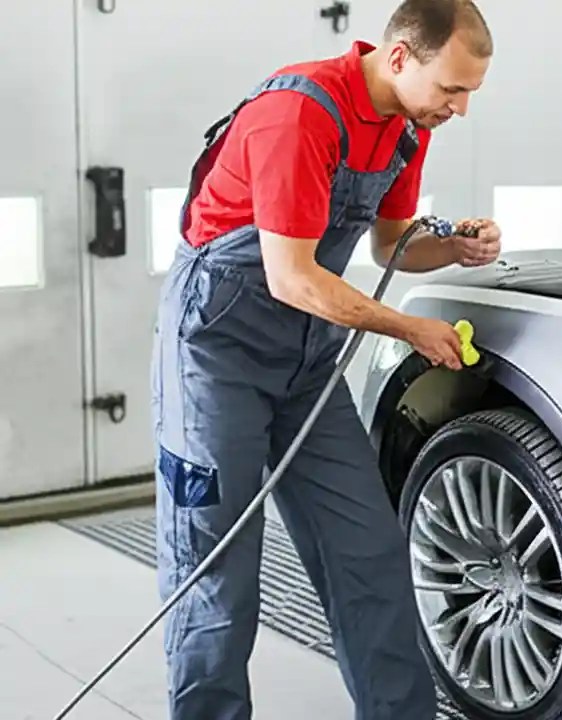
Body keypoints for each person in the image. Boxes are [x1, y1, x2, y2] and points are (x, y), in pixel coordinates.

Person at [150, 1, 497, 717]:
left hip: (307, 362)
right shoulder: (300, 112)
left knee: (369, 553)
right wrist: (408, 329)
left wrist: (456, 246)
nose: (458, 109)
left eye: (469, 94)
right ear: (401, 58)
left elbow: (392, 239)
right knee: (217, 570)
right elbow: (292, 277)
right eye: (452, 90)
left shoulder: (406, 123)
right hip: (217, 355)